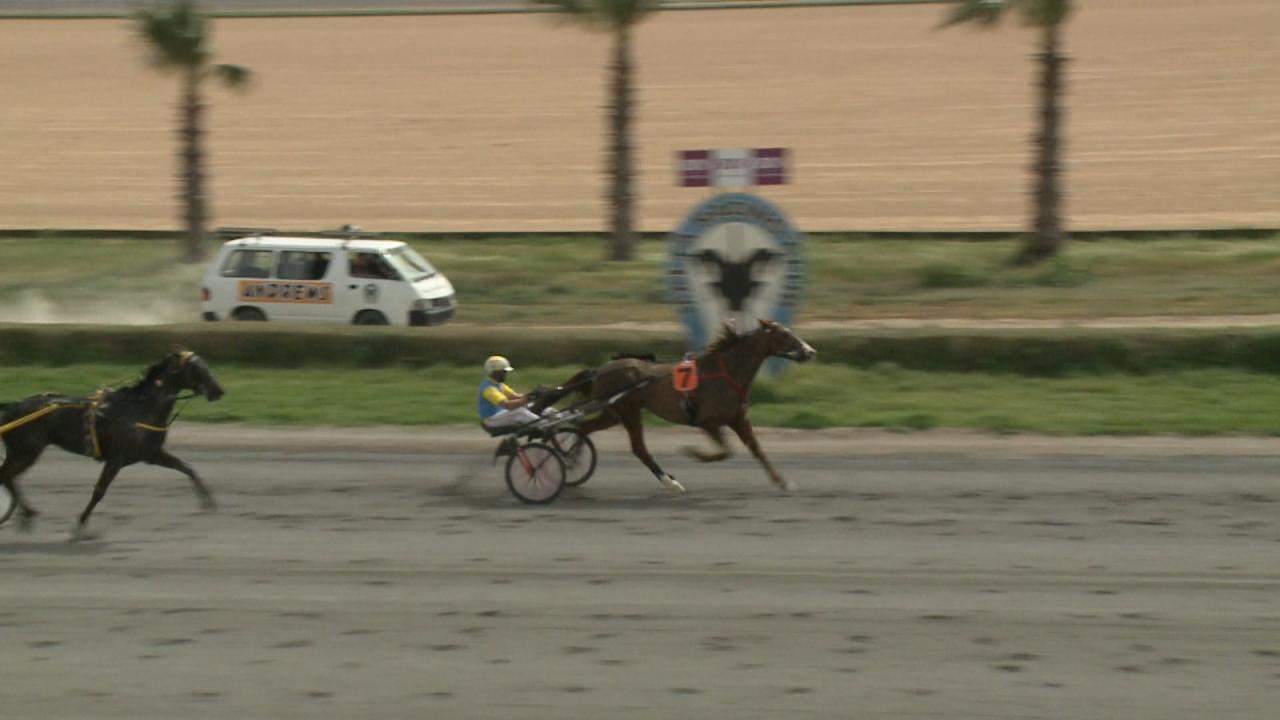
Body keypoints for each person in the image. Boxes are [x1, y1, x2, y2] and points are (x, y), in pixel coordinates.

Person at [478, 355, 542, 433]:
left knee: (532, 404)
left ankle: (557, 418)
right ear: (494, 372)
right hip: (491, 420)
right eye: (503, 372)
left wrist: (533, 394)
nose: (505, 374)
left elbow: (515, 397)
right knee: (520, 412)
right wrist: (528, 399)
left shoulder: (499, 384)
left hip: (500, 415)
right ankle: (543, 424)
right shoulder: (489, 389)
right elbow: (508, 405)